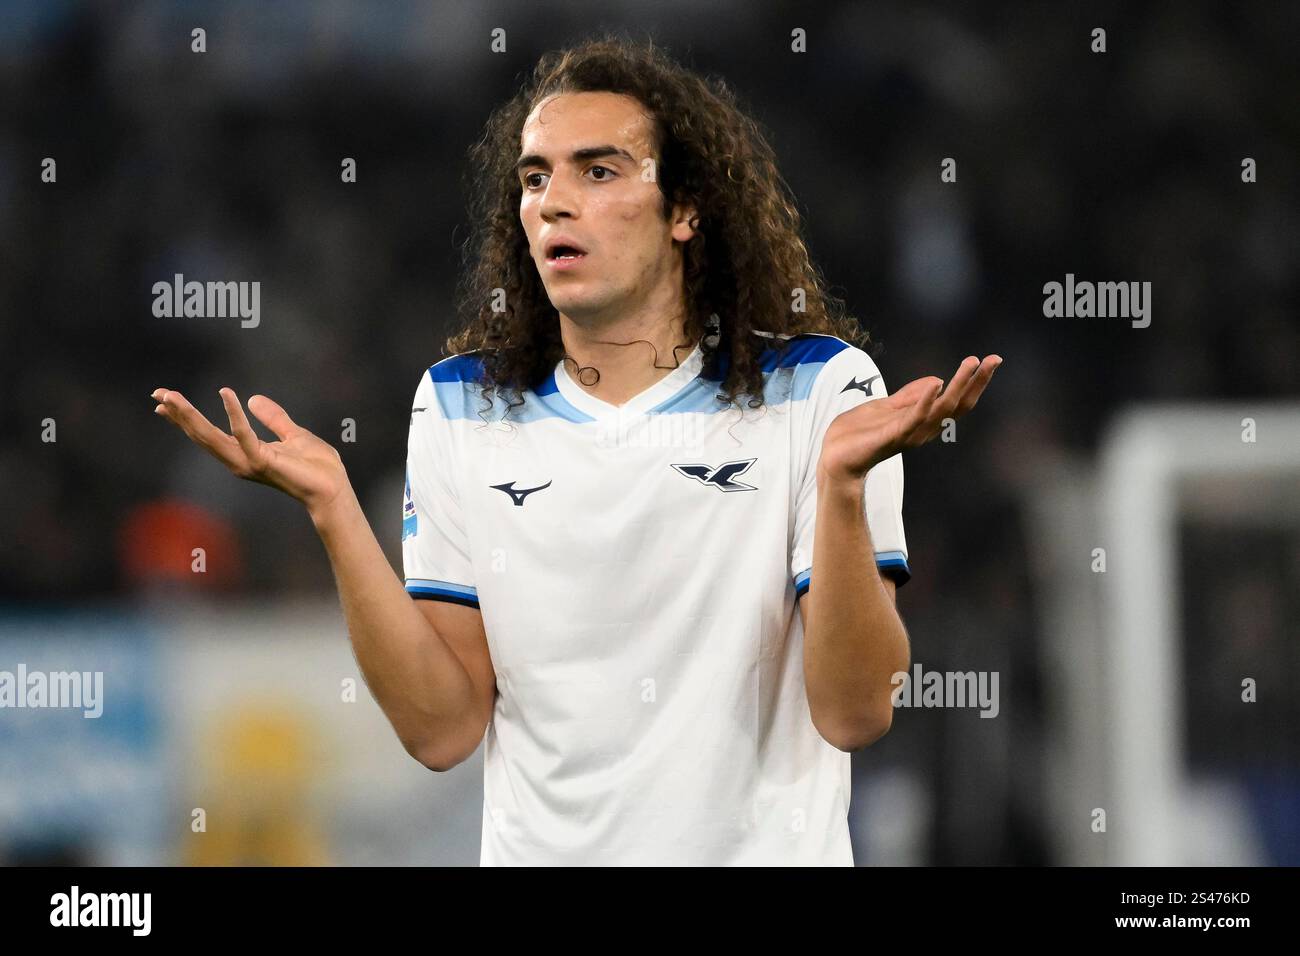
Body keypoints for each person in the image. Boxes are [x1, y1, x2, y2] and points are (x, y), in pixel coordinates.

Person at [151, 36, 1000, 865]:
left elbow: (857, 714)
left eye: (598, 171)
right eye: (535, 177)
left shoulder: (820, 390)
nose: (554, 200)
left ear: (685, 209)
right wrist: (334, 512)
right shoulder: (459, 406)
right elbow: (442, 730)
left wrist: (843, 490)